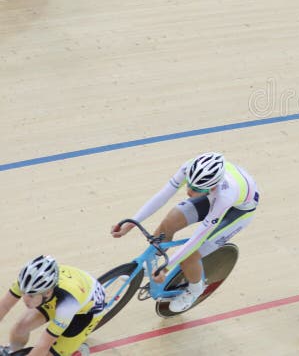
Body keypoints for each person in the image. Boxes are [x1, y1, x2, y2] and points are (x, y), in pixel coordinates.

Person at [111, 152, 259, 313]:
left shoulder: (225, 196)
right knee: (169, 221)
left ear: (212, 187)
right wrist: (130, 224)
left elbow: (197, 238)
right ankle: (152, 263)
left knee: (190, 256)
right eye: (189, 184)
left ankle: (195, 290)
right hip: (213, 196)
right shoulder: (190, 167)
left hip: (238, 212)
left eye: (196, 189)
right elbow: (162, 196)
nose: (189, 191)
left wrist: (166, 268)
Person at [0, 255, 101, 356]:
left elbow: (43, 345)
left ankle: (77, 349)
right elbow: (4, 306)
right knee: (20, 329)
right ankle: (12, 351)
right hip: (67, 290)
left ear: (47, 292)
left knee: (47, 353)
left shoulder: (68, 305)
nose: (25, 298)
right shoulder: (28, 283)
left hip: (86, 312)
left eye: (31, 296)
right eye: (23, 292)